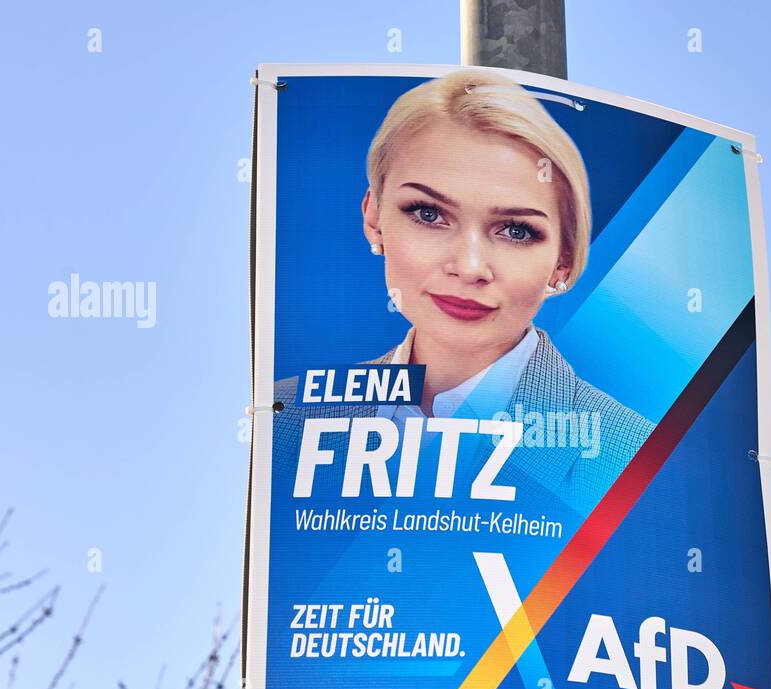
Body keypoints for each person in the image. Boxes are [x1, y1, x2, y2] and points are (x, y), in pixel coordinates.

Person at [274, 69, 653, 508]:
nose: (470, 267)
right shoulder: (282, 420)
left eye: (515, 230)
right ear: (375, 219)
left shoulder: (639, 459)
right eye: (429, 214)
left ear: (563, 261)